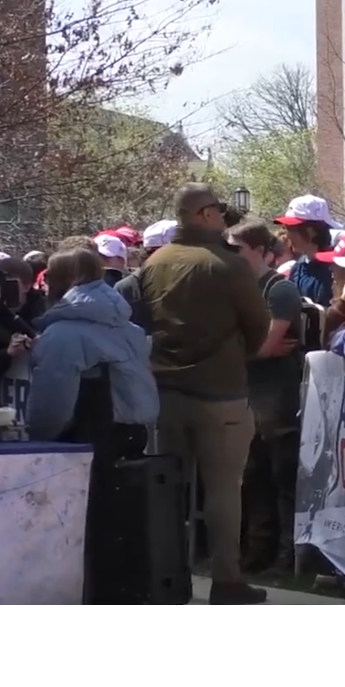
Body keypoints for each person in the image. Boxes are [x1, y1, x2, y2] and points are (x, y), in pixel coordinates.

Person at [141, 183, 271, 605]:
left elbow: (140, 320)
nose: (222, 215)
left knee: (169, 489)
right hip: (221, 392)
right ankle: (226, 581)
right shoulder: (227, 266)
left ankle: (166, 577)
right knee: (222, 490)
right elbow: (258, 325)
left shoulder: (154, 262)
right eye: (217, 209)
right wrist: (237, 355)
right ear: (202, 215)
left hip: (166, 391)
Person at [226, 219, 303, 576]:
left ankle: (287, 556)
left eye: (236, 248)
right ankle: (258, 552)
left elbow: (268, 344)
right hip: (247, 396)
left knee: (282, 477)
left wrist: (233, 349)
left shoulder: (279, 290)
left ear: (259, 251)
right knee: (253, 477)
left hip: (278, 401)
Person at [27, 247, 158, 448]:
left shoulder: (63, 335)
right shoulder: (128, 328)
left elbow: (52, 406)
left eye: (48, 275)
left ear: (62, 279)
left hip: (85, 443)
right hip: (134, 436)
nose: (45, 282)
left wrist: (37, 438)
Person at [0, 257, 48, 406]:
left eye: (9, 284)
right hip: (7, 404)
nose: (2, 290)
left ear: (27, 285)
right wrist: (7, 354)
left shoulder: (46, 312)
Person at [275, 194, 342, 307]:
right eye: (285, 228)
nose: (287, 235)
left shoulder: (337, 269)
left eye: (292, 229)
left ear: (312, 230)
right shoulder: (297, 268)